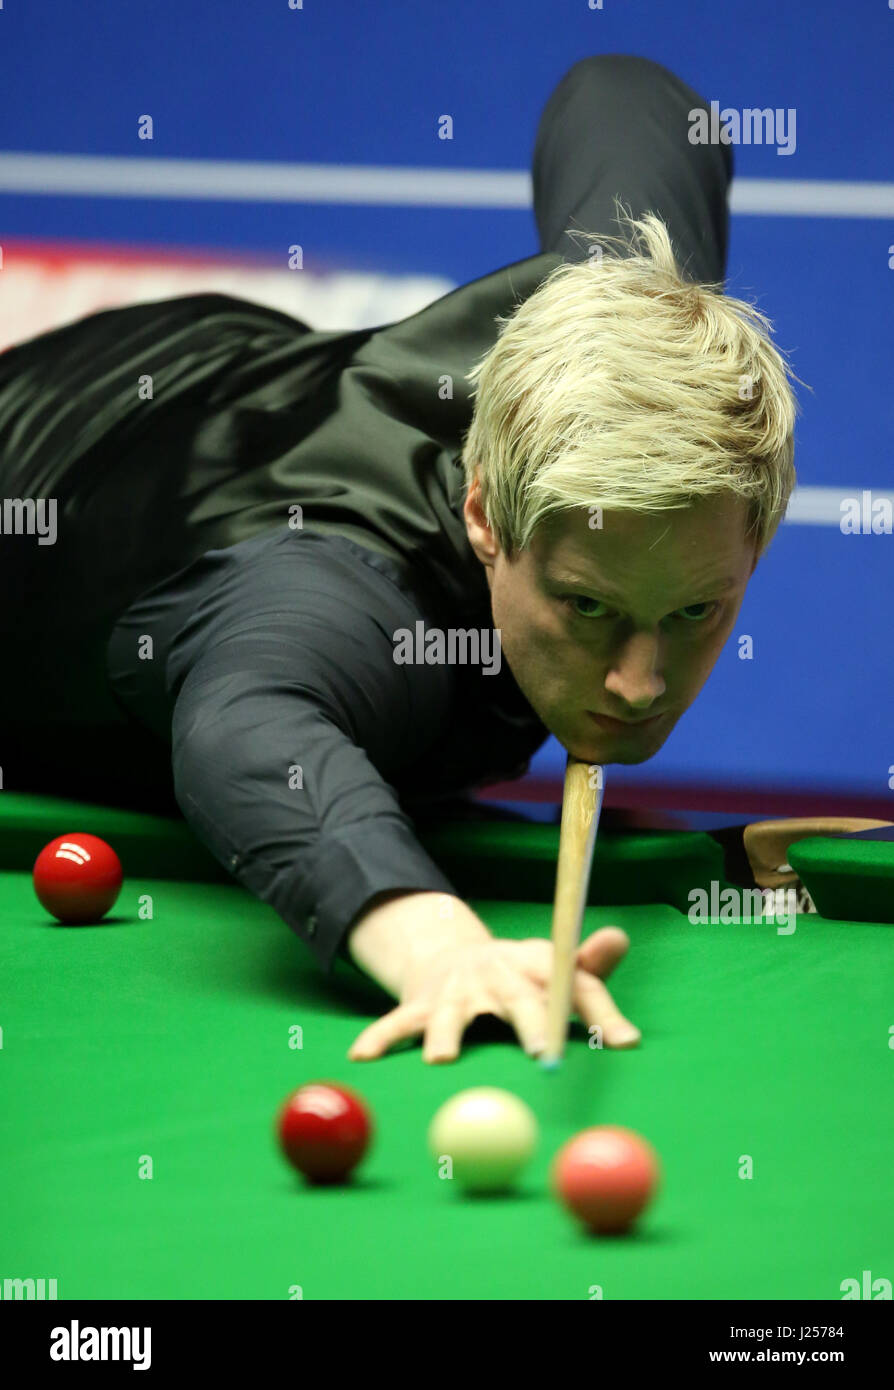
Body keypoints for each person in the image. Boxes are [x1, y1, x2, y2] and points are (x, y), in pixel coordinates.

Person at [0, 55, 798, 1062]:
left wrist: (647, 283)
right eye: (589, 609)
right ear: (483, 516)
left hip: (226, 371)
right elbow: (244, 725)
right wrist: (433, 943)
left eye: (694, 613)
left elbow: (622, 90)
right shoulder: (348, 598)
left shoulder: (639, 340)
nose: (640, 683)